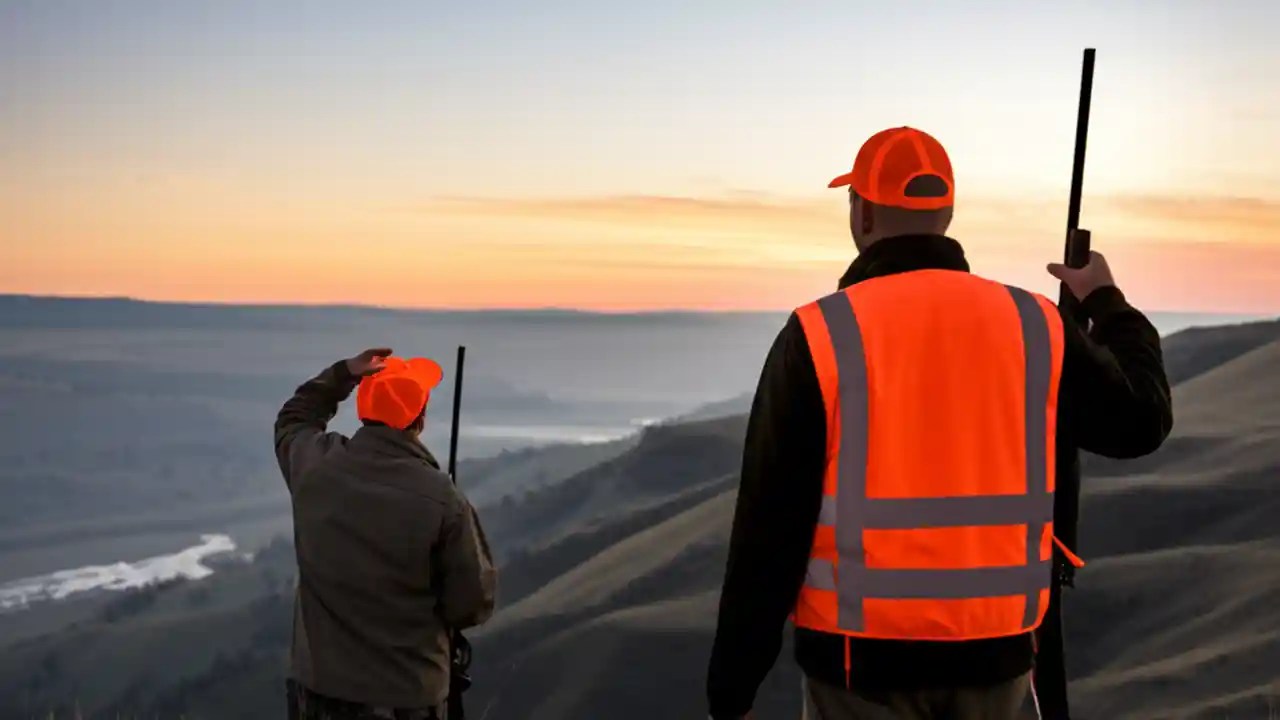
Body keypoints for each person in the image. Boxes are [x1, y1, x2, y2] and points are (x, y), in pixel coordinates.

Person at [706, 127, 1173, 720]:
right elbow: (1142, 421)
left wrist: (731, 690)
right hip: (998, 664)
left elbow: (768, 530)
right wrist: (1105, 300)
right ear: (946, 213)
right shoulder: (1036, 326)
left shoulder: (820, 335)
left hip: (857, 672)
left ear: (863, 212)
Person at [275, 348, 497, 720]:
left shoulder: (315, 465)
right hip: (407, 697)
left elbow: (295, 418)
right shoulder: (443, 499)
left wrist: (344, 372)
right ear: (419, 419)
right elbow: (472, 604)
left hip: (318, 692)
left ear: (363, 411)